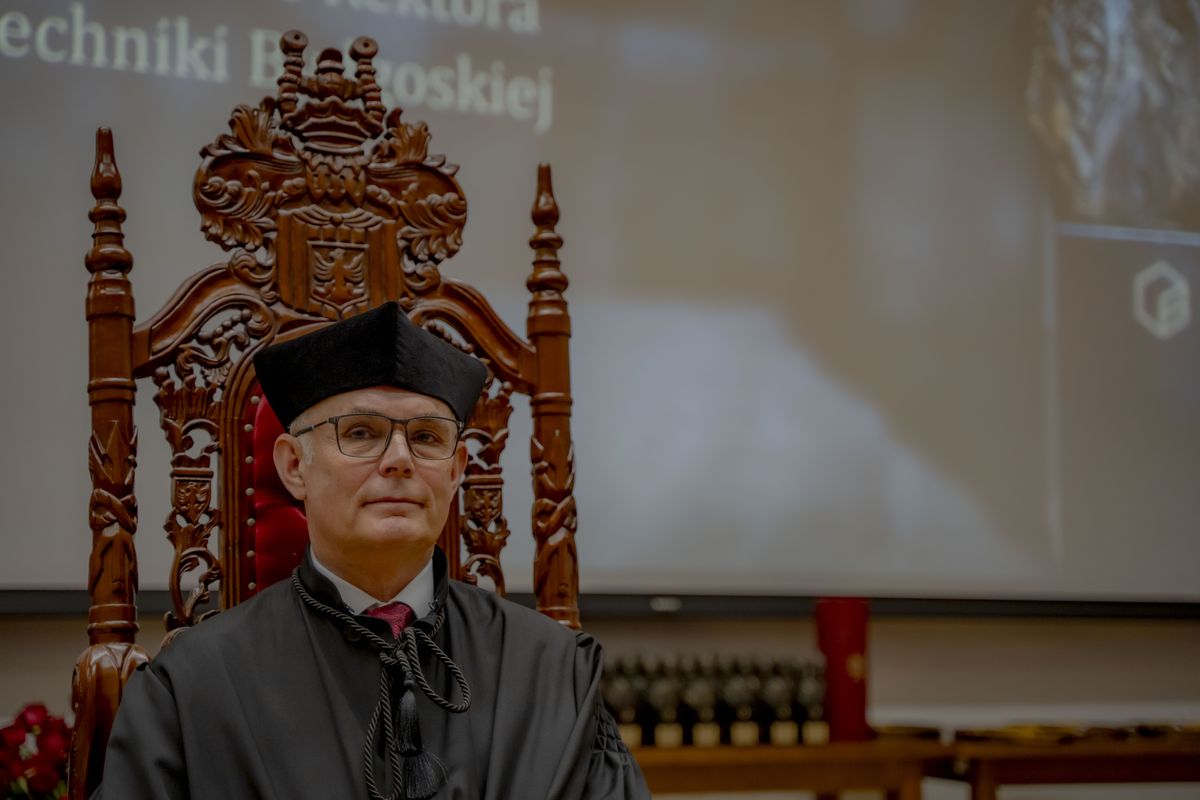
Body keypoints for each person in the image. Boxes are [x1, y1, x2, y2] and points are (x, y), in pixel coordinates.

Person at [95, 301, 648, 799]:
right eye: (360, 433)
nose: (399, 459)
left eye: (427, 437)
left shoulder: (556, 675)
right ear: (293, 466)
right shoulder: (191, 689)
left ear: (456, 471)